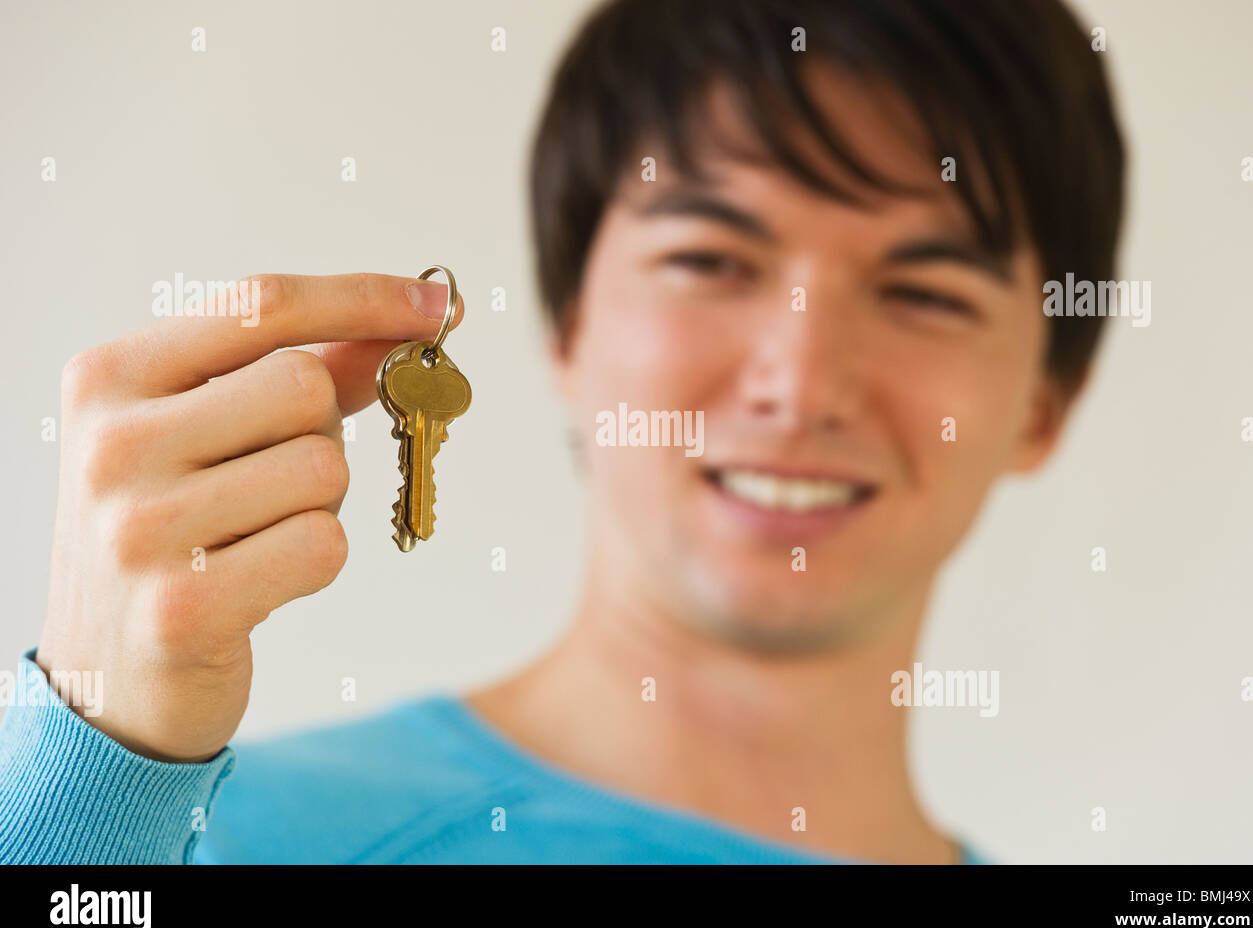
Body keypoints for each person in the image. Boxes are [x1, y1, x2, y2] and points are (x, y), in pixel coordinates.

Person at [0, 0, 1125, 864]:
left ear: (1044, 402)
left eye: (925, 292)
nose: (800, 380)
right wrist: (85, 791)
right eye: (710, 262)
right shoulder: (185, 844)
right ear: (568, 328)